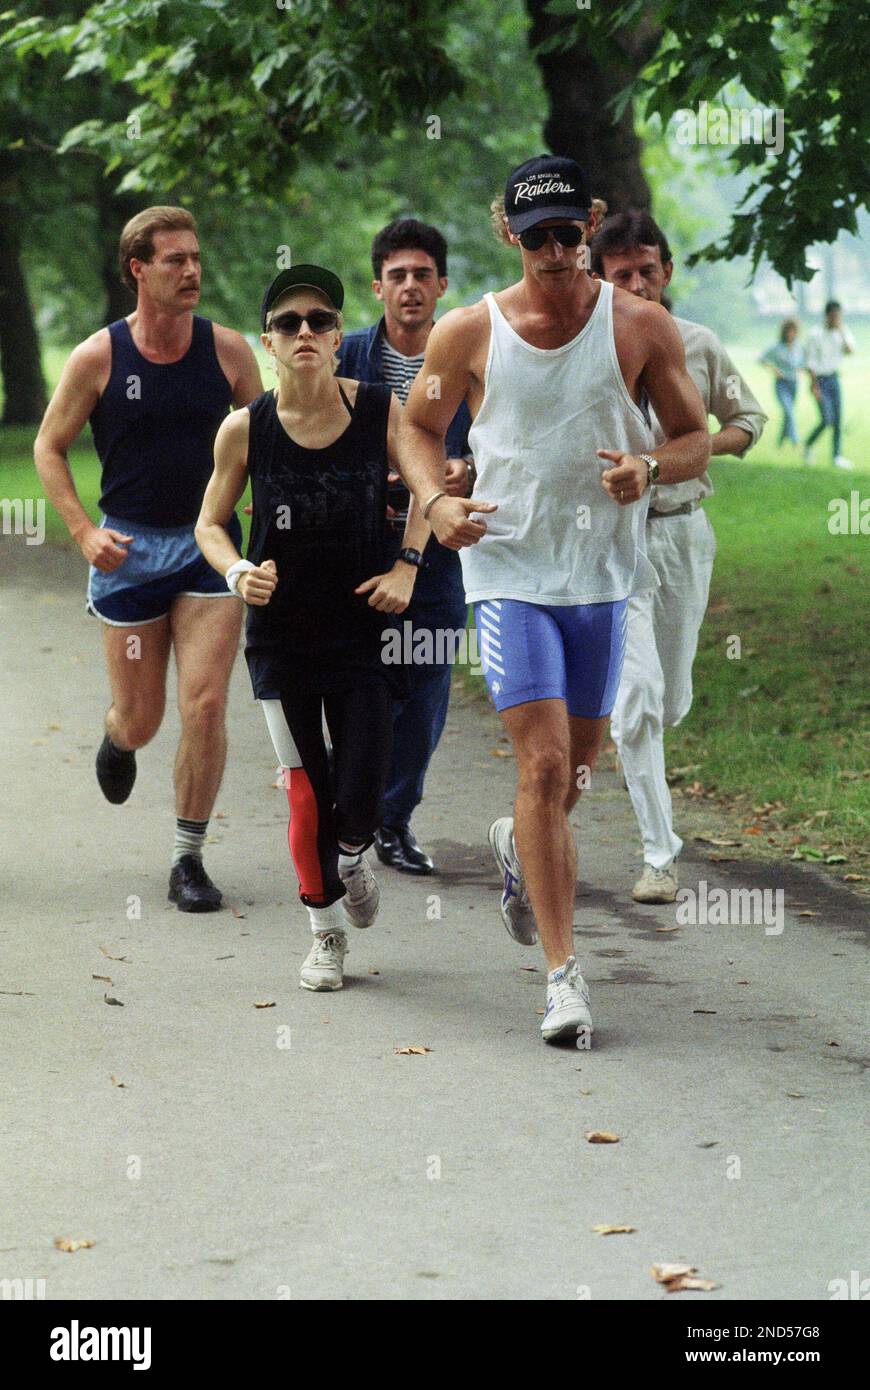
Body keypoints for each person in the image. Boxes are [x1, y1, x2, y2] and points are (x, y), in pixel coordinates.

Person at [398, 155, 711, 1043]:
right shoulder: (468, 332)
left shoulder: (640, 327)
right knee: (540, 769)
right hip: (508, 576)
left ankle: (516, 846)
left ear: (591, 223)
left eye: (569, 233)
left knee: (569, 778)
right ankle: (564, 978)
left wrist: (649, 466)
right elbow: (416, 426)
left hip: (604, 579)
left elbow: (695, 437)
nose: (555, 251)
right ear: (508, 232)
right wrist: (437, 500)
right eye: (536, 236)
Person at [196, 265, 431, 992]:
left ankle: (357, 851)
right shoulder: (245, 429)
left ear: (337, 338)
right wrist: (238, 573)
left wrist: (407, 568)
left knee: (361, 783)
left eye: (320, 321)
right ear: (268, 342)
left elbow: (429, 489)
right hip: (280, 637)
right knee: (305, 786)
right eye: (289, 323)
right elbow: (210, 524)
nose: (306, 332)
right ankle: (323, 933)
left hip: (362, 629)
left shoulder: (381, 412)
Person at [34, 206, 262, 911]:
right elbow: (48, 447)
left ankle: (187, 859)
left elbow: (270, 438)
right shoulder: (98, 357)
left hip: (206, 546)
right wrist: (82, 532)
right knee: (143, 719)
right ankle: (117, 738)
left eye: (195, 258)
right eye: (174, 260)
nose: (192, 270)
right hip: (127, 551)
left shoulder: (227, 352)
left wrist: (266, 503)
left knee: (206, 702)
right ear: (138, 269)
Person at [590, 211, 767, 904]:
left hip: (682, 528)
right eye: (622, 274)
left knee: (668, 699)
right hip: (610, 538)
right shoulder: (586, 347)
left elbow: (747, 424)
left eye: (648, 270)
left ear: (667, 270)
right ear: (601, 279)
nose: (638, 284)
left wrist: (672, 459)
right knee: (636, 700)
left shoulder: (697, 344)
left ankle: (643, 742)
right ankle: (658, 855)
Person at [336, 219, 472, 876]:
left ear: (442, 284)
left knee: (422, 697)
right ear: (378, 287)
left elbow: (502, 444)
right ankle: (351, 812)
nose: (411, 286)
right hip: (355, 552)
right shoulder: (345, 359)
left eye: (423, 274)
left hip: (438, 557)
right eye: (398, 275)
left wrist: (467, 470)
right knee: (355, 687)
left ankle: (393, 820)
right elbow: (304, 433)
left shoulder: (470, 360)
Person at [803, 300, 855, 468]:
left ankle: (837, 456)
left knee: (838, 419)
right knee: (827, 419)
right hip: (820, 380)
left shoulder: (842, 332)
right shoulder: (815, 334)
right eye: (833, 316)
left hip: (834, 378)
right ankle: (808, 444)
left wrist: (841, 332)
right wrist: (814, 386)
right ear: (827, 316)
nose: (836, 319)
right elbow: (810, 362)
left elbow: (850, 351)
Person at [761, 319, 803, 448]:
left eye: (793, 331)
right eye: (788, 331)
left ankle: (780, 442)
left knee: (787, 414)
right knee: (789, 411)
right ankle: (796, 441)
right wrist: (774, 370)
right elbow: (762, 359)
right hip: (782, 383)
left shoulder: (798, 347)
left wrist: (799, 371)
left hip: (794, 383)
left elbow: (802, 363)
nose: (791, 334)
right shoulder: (777, 347)